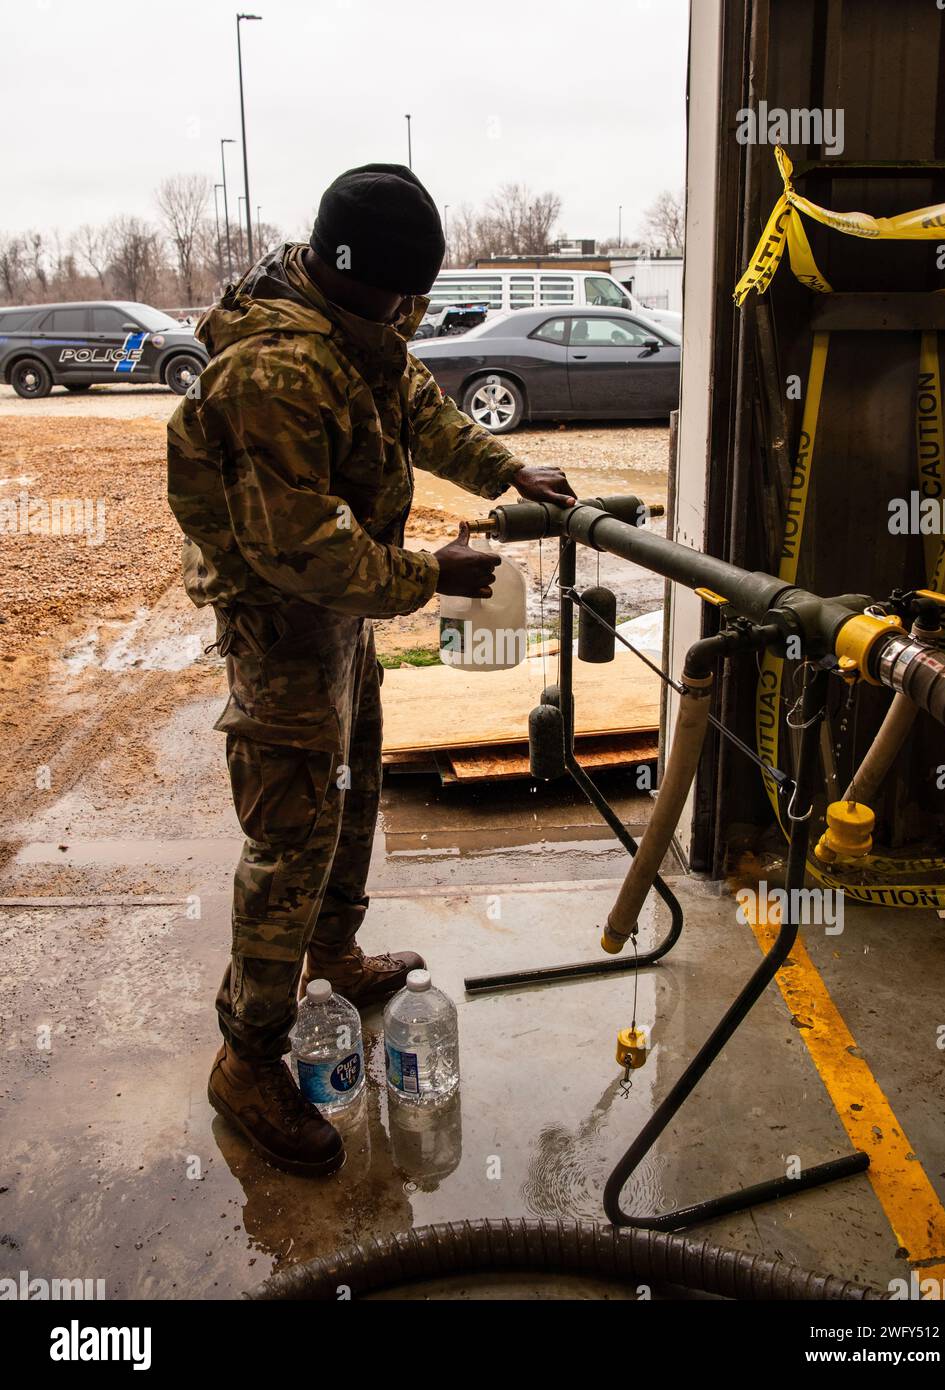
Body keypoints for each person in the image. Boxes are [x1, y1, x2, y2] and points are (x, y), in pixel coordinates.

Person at [167, 163, 576, 1176]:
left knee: (350, 797)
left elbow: (420, 410)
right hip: (284, 629)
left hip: (343, 619)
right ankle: (248, 1058)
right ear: (364, 283)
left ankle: (335, 952)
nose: (413, 314)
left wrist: (507, 469)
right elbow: (296, 550)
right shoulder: (274, 372)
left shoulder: (357, 331)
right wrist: (429, 571)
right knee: (291, 831)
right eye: (404, 297)